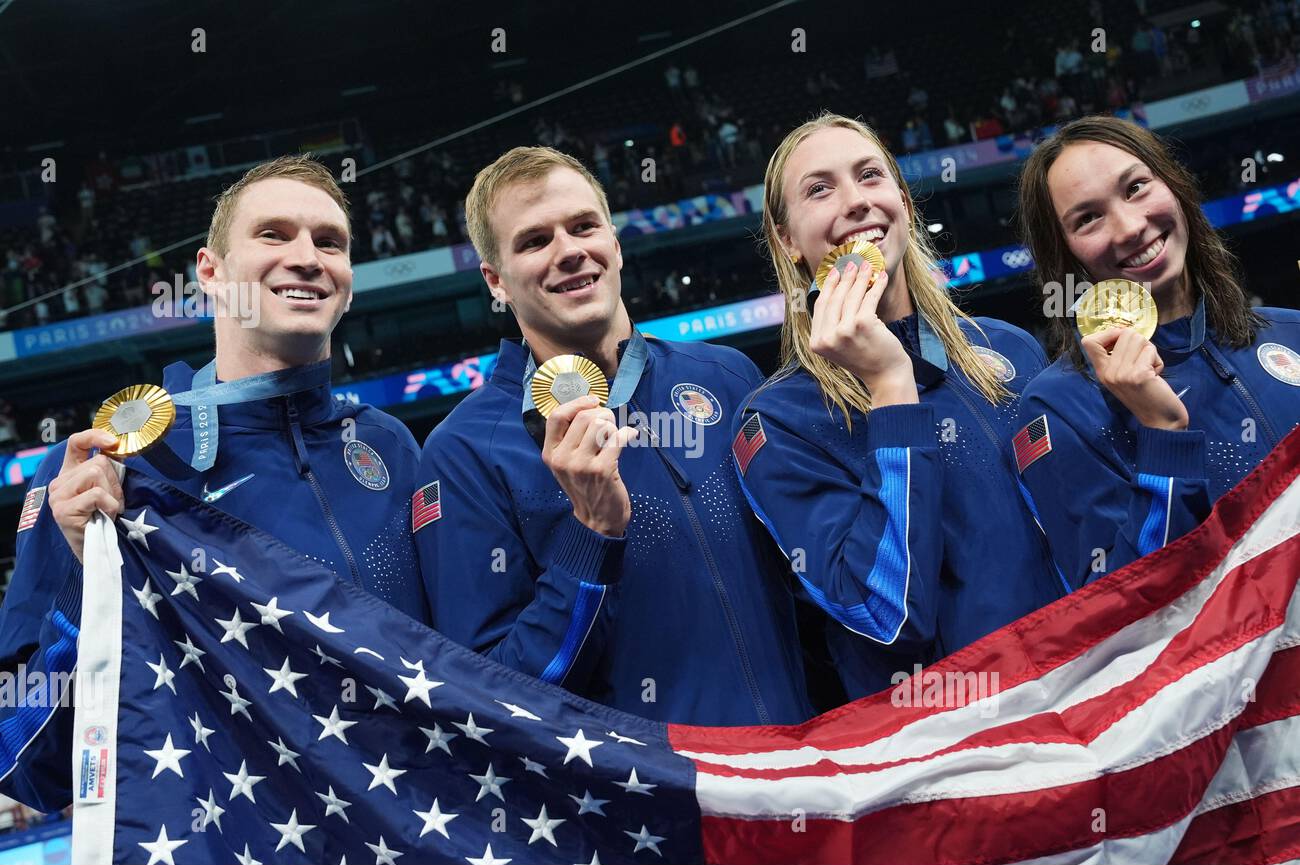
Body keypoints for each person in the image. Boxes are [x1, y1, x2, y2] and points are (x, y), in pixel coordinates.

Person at [0, 155, 429, 809]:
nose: (308, 257)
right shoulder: (103, 467)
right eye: (274, 235)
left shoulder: (390, 447)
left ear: (347, 281)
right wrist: (91, 590)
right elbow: (27, 765)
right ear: (210, 273)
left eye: (330, 242)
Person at [413, 146, 811, 725]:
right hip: (650, 803)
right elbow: (489, 696)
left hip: (791, 777)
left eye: (583, 226)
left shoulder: (726, 377)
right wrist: (590, 537)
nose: (569, 251)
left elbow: (808, 594)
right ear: (495, 282)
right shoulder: (462, 454)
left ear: (615, 244)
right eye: (534, 241)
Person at [731, 113, 1064, 699]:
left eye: (869, 176)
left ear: (903, 202)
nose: (856, 201)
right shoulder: (777, 421)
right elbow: (890, 615)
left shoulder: (1006, 348)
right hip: (950, 748)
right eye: (819, 189)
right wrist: (890, 385)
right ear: (786, 239)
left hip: (1087, 704)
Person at [1014, 115, 1300, 588]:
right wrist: (1162, 436)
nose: (1129, 227)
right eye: (1088, 218)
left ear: (1175, 184)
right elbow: (1116, 610)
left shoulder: (1290, 331)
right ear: (1063, 253)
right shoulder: (1059, 405)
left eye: (1136, 188)